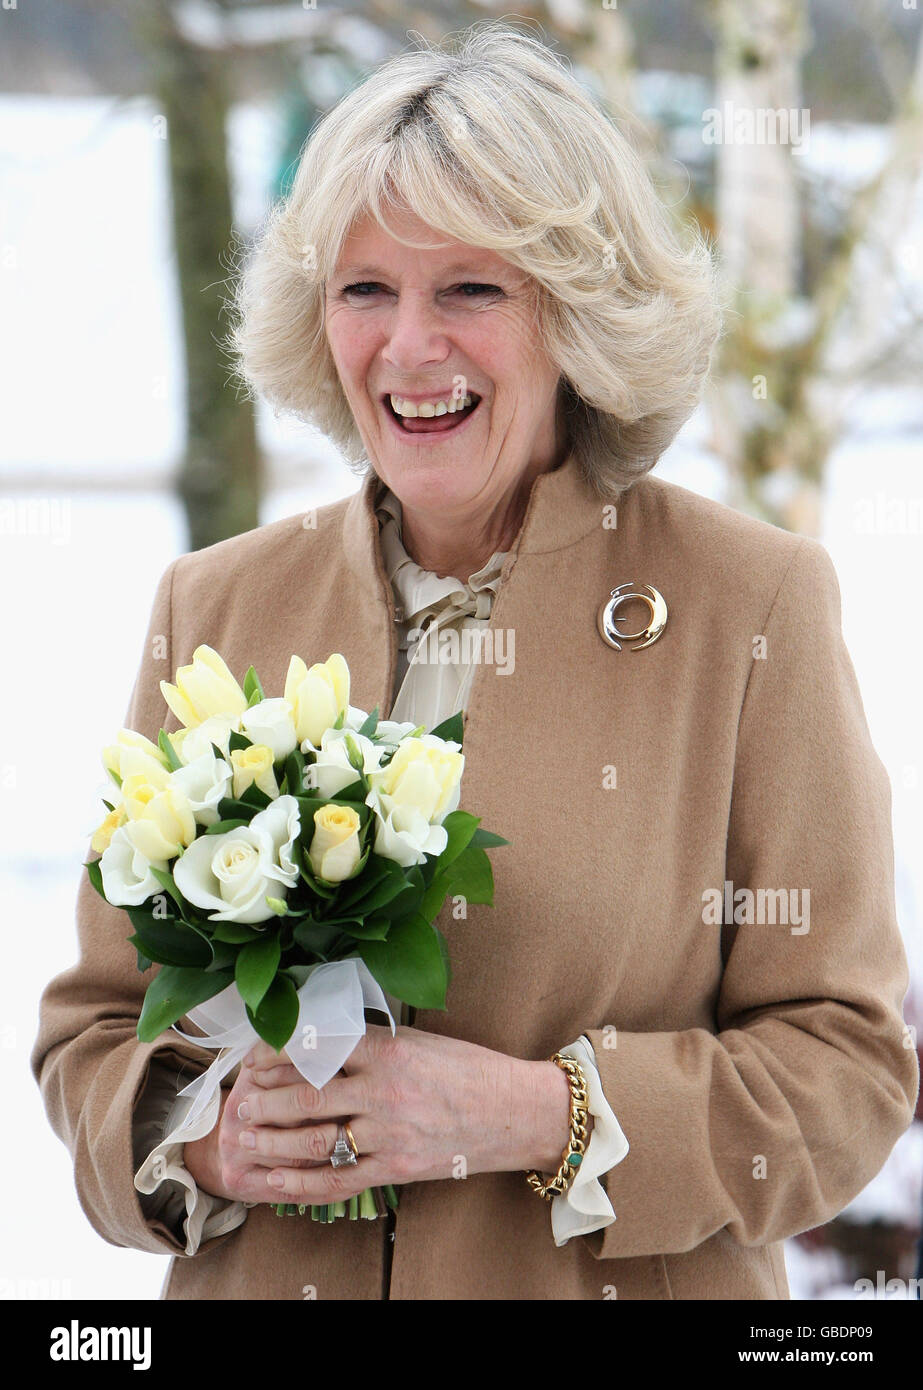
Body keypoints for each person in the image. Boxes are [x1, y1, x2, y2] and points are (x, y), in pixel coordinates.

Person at [32, 22, 918, 1301]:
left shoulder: (749, 607)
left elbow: (846, 1071)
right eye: (365, 289)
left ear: (574, 314)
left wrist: (542, 1114)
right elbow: (96, 1031)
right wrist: (199, 1133)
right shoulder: (212, 602)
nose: (409, 348)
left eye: (471, 289)